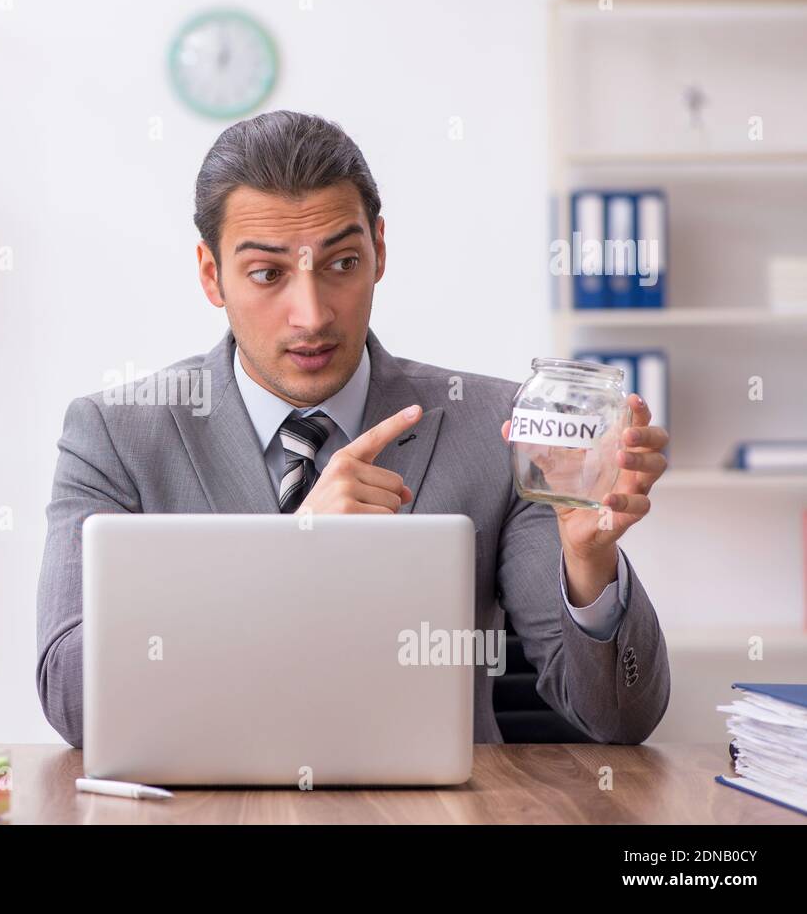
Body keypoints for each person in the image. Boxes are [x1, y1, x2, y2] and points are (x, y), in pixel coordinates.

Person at [36, 110, 670, 749]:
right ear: (211, 275)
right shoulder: (113, 437)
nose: (311, 316)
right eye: (267, 274)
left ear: (380, 252)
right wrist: (292, 560)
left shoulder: (491, 429)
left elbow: (619, 720)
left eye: (341, 264)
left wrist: (590, 558)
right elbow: (72, 699)